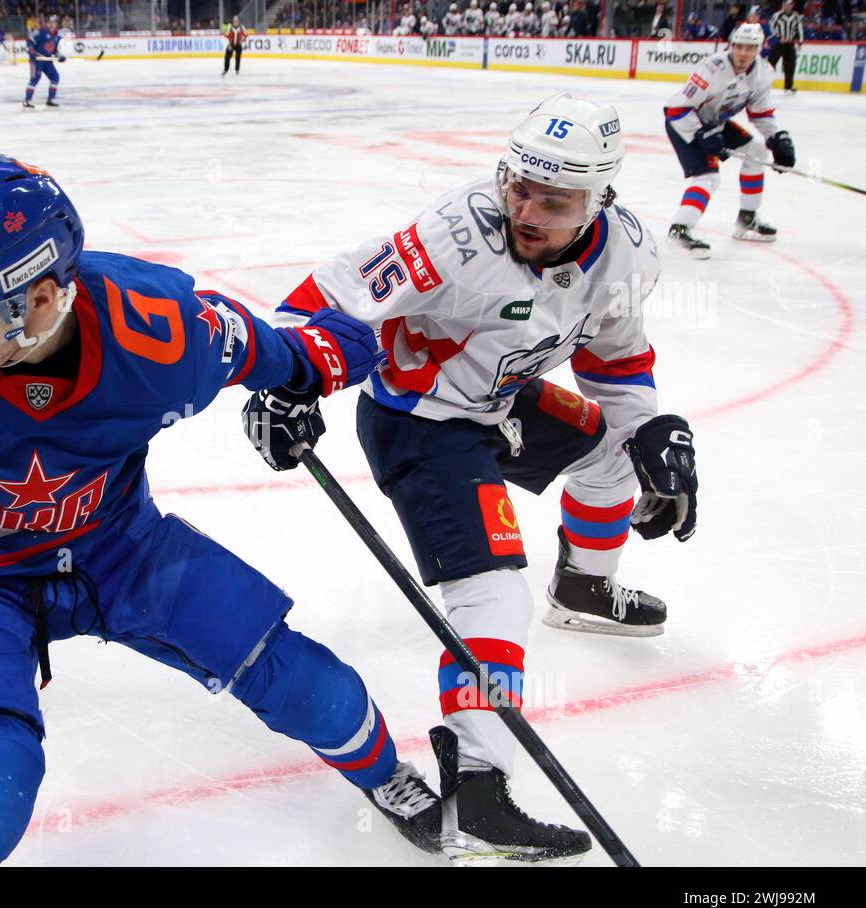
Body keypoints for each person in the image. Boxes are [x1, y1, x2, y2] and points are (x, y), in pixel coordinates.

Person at [0, 153, 452, 866]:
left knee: (300, 678)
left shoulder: (162, 336)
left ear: (38, 300)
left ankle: (384, 773)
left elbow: (277, 353)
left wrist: (342, 353)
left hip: (120, 549)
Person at [247, 93, 701, 862]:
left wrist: (654, 430)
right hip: (420, 423)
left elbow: (614, 361)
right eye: (516, 185)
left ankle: (585, 588)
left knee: (616, 453)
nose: (524, 209)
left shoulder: (628, 253)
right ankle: (481, 786)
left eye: (552, 201)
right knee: (492, 594)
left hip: (501, 398)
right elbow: (326, 299)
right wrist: (285, 381)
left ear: (599, 199)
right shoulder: (456, 236)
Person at [663, 22, 795, 256]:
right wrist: (700, 135)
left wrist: (777, 137)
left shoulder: (763, 73)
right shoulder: (711, 69)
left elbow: (760, 111)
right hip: (684, 123)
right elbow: (676, 109)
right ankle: (680, 228)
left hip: (715, 124)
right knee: (708, 177)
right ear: (732, 45)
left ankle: (747, 219)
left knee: (756, 151)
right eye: (739, 46)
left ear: (759, 49)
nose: (743, 53)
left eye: (750, 48)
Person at [24, 15, 64, 108]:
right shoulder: (40, 32)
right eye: (50, 22)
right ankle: (27, 100)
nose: (52, 24)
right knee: (35, 79)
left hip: (47, 61)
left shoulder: (57, 36)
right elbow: (29, 41)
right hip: (36, 61)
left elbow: (54, 49)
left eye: (54, 22)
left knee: (55, 77)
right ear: (47, 23)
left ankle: (50, 100)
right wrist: (32, 51)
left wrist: (59, 56)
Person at [768, 0, 804, 93]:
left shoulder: (796, 16)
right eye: (787, 4)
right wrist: (778, 37)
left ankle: (788, 86)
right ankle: (764, 84)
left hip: (790, 43)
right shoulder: (777, 15)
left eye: (790, 4)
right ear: (783, 5)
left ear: (792, 5)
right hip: (779, 44)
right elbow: (771, 27)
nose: (788, 6)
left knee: (790, 66)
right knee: (770, 64)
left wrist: (800, 42)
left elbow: (799, 29)